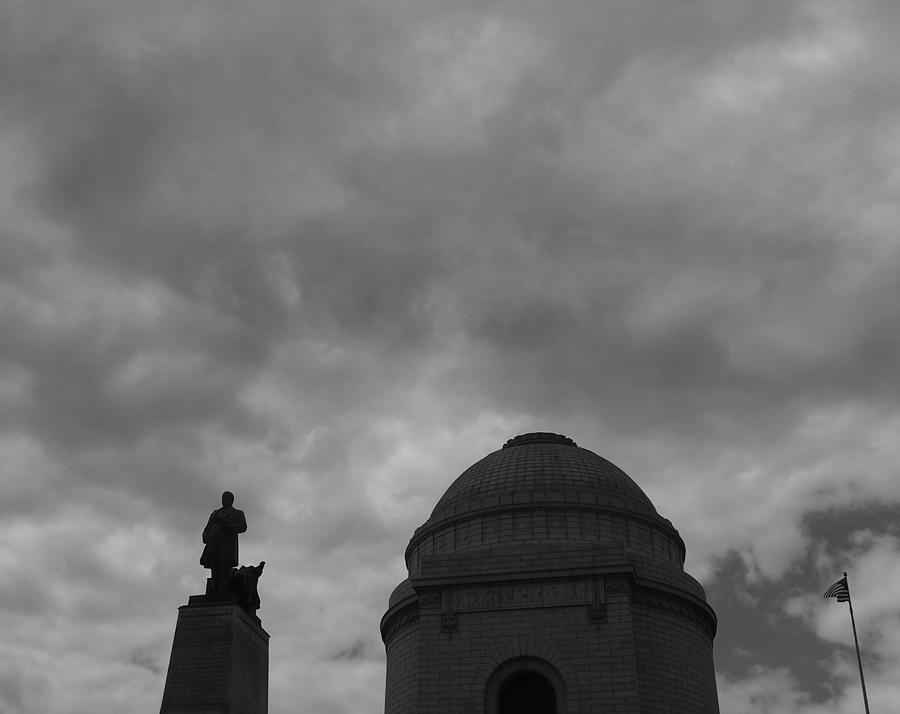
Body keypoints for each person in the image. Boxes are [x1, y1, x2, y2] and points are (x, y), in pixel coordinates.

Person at [200, 491, 247, 596]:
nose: (223, 500)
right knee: (214, 568)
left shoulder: (237, 513)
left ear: (231, 500)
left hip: (227, 546)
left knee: (225, 568)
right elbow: (207, 528)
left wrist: (227, 525)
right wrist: (206, 536)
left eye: (226, 498)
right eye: (222, 498)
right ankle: (214, 591)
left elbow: (243, 527)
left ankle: (223, 591)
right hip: (213, 545)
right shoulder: (215, 514)